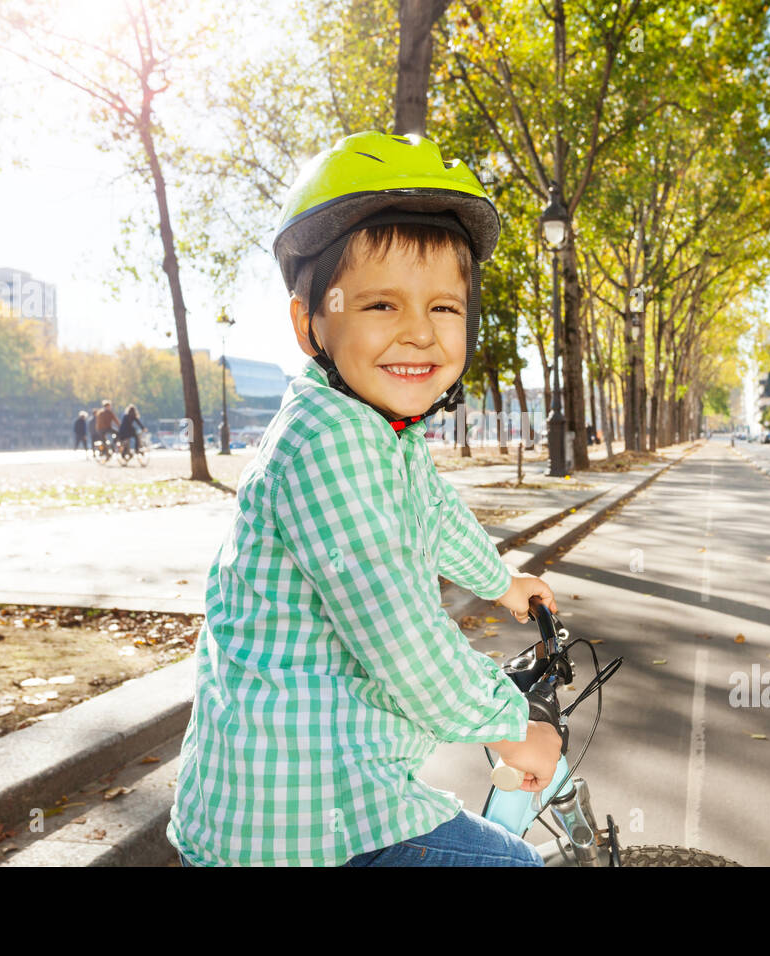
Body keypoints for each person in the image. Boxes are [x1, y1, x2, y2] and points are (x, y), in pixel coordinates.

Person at [166, 130, 561, 868]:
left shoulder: (383, 431)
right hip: (295, 820)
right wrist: (512, 724)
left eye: (445, 307)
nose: (420, 331)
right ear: (309, 323)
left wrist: (502, 580)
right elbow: (402, 639)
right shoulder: (325, 445)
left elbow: (434, 514)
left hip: (329, 784)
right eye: (381, 303)